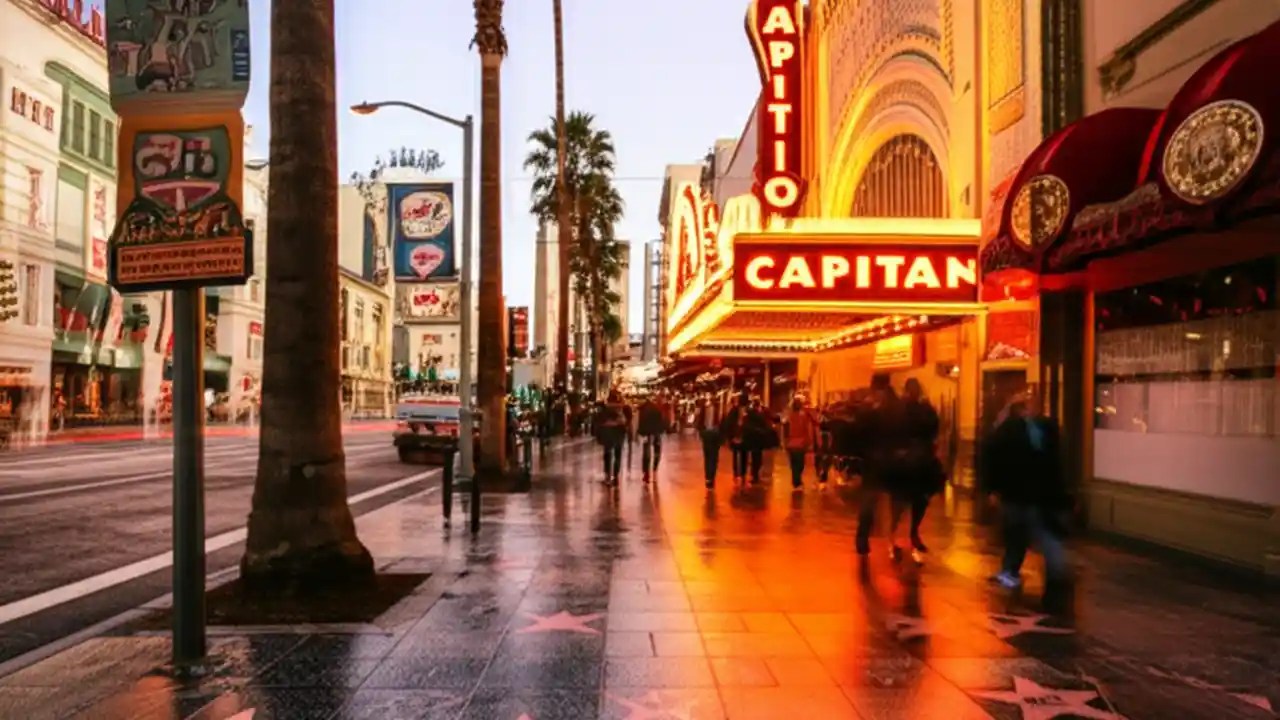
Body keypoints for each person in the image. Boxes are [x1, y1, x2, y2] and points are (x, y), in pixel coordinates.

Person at [982, 392, 1070, 592]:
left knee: (1017, 534)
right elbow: (1056, 463)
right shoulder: (1049, 428)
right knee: (1045, 534)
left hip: (1017, 493)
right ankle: (1055, 574)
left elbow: (993, 452)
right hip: (1042, 493)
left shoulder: (1011, 429)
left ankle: (1011, 571)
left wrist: (992, 489)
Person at [888, 378, 943, 563]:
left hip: (903, 462)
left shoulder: (898, 411)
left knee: (899, 504)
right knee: (918, 502)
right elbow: (935, 431)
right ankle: (911, 536)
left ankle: (895, 539)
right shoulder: (925, 410)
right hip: (922, 462)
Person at [855, 374, 906, 556]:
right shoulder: (898, 406)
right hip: (895, 460)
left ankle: (863, 539)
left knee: (869, 501)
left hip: (874, 461)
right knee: (896, 502)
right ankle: (892, 538)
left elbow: (860, 433)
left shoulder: (871, 408)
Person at [782, 396, 817, 489]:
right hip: (799, 443)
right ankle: (797, 481)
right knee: (799, 463)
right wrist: (809, 441)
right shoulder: (802, 416)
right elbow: (806, 429)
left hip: (792, 443)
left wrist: (785, 442)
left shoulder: (789, 416)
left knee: (794, 463)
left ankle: (796, 481)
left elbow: (785, 430)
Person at [596, 391, 628, 485]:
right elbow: (626, 421)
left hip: (608, 435)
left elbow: (600, 422)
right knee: (618, 455)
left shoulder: (605, 409)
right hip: (619, 435)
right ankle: (616, 476)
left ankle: (608, 476)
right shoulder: (622, 408)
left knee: (607, 455)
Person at [721, 393, 750, 483]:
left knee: (741, 455)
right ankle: (739, 473)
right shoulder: (742, 411)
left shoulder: (739, 410)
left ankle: (740, 473)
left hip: (742, 436)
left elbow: (728, 423)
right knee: (740, 455)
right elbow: (729, 423)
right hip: (739, 435)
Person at [696, 396, 724, 488]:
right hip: (708, 435)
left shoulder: (718, 409)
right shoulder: (705, 409)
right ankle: (709, 477)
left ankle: (710, 477)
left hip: (714, 435)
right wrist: (702, 432)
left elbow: (722, 423)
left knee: (712, 458)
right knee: (709, 457)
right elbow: (700, 422)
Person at [637, 395, 666, 482]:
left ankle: (646, 473)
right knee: (657, 451)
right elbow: (662, 421)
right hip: (656, 432)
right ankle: (654, 470)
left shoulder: (642, 409)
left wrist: (640, 432)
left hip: (646, 433)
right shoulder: (657, 409)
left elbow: (640, 422)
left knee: (646, 452)